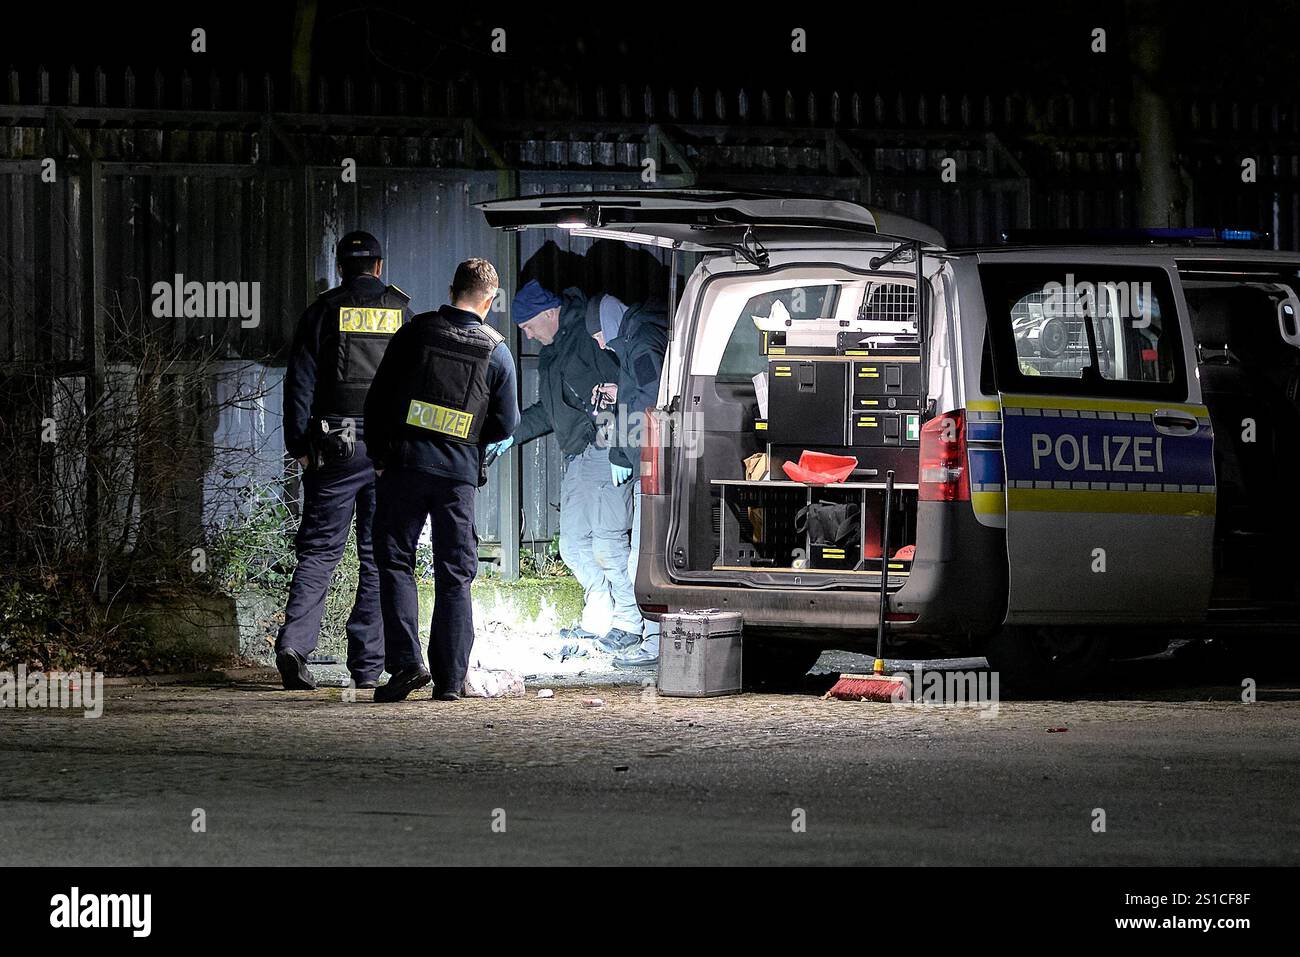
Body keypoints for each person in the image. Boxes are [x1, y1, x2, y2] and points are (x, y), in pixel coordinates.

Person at [364, 259, 519, 703]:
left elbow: (378, 399)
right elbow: (506, 422)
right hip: (457, 476)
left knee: (394, 562)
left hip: (404, 466)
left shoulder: (415, 333)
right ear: (489, 301)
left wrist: (379, 456)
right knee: (454, 574)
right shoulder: (497, 350)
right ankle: (449, 681)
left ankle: (406, 665)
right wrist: (469, 439)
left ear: (452, 289)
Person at [275, 230, 410, 691]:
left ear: (340, 268)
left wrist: (300, 444)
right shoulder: (400, 312)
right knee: (376, 558)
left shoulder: (322, 311)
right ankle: (368, 667)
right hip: (385, 448)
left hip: (334, 441)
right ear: (379, 266)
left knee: (318, 551)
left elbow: (299, 382)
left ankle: (294, 646)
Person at [485, 280, 641, 652]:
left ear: (550, 312)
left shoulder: (590, 338)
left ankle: (631, 622)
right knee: (572, 544)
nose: (526, 334)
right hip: (581, 456)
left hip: (608, 447)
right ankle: (600, 617)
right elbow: (549, 411)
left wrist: (622, 448)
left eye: (528, 325)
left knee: (608, 541)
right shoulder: (552, 353)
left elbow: (629, 390)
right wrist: (511, 434)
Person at [598, 295, 670, 667]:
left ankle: (655, 644)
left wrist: (628, 454)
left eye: (599, 334)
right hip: (649, 458)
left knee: (643, 556)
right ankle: (652, 640)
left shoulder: (639, 342)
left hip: (651, 461)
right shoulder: (638, 337)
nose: (598, 343)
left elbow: (647, 401)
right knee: (643, 553)